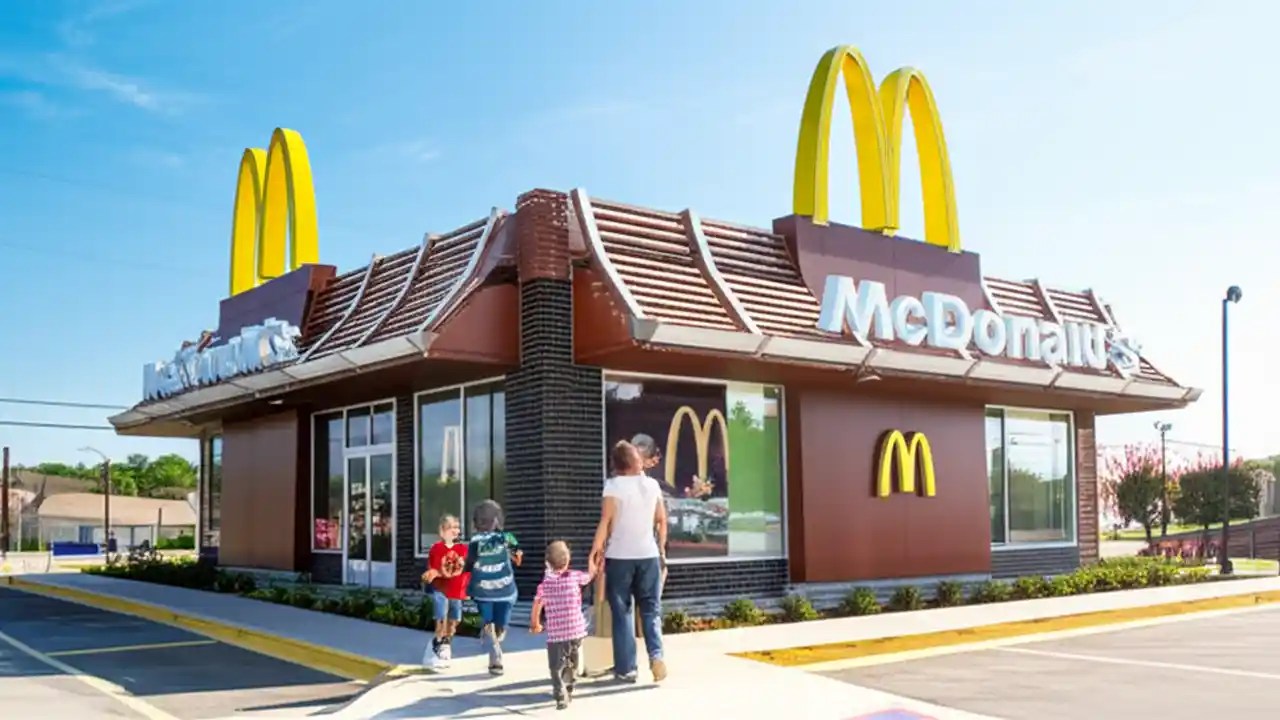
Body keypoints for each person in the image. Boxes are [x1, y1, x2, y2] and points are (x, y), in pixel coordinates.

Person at [590, 440, 668, 684]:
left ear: (617, 465)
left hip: (620, 556)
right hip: (649, 555)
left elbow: (606, 520)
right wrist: (662, 550)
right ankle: (656, 655)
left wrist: (595, 552)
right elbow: (661, 520)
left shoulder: (613, 485)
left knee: (622, 613)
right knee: (650, 609)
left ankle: (627, 669)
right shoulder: (653, 484)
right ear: (634, 460)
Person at [530, 540, 599, 710]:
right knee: (573, 659)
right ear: (567, 560)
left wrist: (535, 624)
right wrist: (593, 561)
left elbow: (537, 606)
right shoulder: (575, 576)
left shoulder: (544, 585)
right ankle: (570, 683)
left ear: (547, 563)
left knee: (555, 666)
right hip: (575, 630)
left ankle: (560, 694)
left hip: (556, 634)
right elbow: (590, 576)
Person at [463, 499, 523, 675]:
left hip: (482, 591)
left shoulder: (475, 541)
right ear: (497, 520)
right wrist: (513, 556)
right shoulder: (507, 537)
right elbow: (518, 557)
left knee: (488, 622)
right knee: (501, 623)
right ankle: (496, 645)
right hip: (505, 590)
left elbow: (469, 565)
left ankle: (494, 649)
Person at [421, 514, 468, 669]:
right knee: (441, 615)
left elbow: (465, 569)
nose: (455, 531)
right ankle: (438, 642)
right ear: (442, 531)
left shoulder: (462, 549)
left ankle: (446, 643)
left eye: (457, 527)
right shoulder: (437, 548)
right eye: (451, 528)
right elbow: (436, 568)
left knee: (455, 618)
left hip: (456, 589)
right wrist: (433, 574)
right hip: (441, 589)